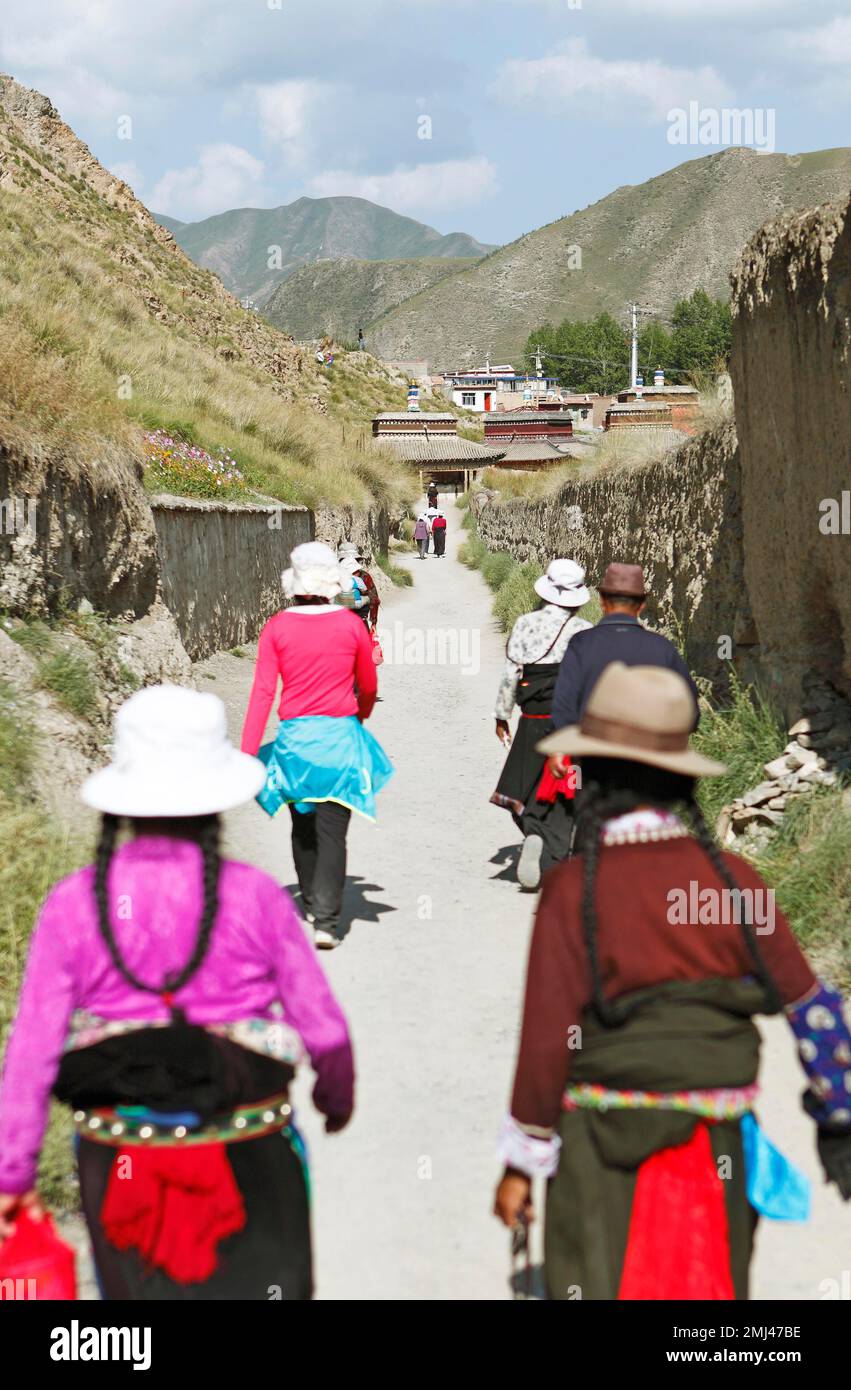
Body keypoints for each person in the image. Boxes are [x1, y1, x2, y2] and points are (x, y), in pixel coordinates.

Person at [494, 663, 851, 1300]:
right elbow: (811, 1007)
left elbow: (549, 1038)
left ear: (594, 776)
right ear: (682, 777)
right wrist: (840, 1115)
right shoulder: (733, 880)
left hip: (600, 1150)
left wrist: (522, 1161)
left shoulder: (574, 889)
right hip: (714, 1144)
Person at [0, 684, 355, 1300]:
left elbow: (31, 1053)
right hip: (250, 1148)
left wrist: (13, 1173)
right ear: (216, 796)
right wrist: (334, 1097)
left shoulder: (73, 905)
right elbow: (324, 1031)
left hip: (120, 1160)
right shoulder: (256, 899)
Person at [242, 542, 393, 950]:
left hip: (295, 744)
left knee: (302, 826)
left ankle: (309, 901)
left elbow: (261, 694)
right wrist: (357, 719)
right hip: (340, 740)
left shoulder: (276, 627)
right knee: (333, 830)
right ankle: (327, 920)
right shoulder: (350, 626)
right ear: (333, 585)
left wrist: (247, 753)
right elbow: (369, 685)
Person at [491, 560, 592, 888]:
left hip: (533, 718)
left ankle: (533, 832)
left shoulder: (523, 623)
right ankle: (550, 850)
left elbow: (511, 673)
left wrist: (502, 715)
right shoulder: (584, 632)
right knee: (567, 788)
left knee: (525, 783)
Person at [551, 562, 700, 734]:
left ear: (602, 601)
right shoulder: (662, 648)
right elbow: (690, 713)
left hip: (592, 752)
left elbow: (563, 708)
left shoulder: (581, 643)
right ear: (642, 604)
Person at [338, 542, 380, 630]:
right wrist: (373, 622)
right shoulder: (364, 577)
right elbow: (374, 599)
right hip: (359, 623)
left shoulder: (332, 576)